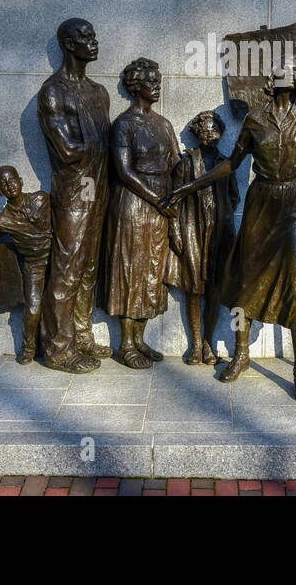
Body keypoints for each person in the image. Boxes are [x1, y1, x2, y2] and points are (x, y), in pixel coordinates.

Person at [166, 28, 296, 404]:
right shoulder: (254, 121)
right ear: (270, 84)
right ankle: (241, 355)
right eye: (277, 72)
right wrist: (190, 186)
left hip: (294, 204)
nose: (282, 75)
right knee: (246, 279)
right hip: (262, 201)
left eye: (289, 71)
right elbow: (231, 164)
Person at [36, 18, 114, 374]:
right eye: (85, 37)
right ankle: (57, 348)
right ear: (68, 44)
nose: (93, 42)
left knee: (89, 265)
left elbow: (103, 145)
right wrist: (101, 147)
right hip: (73, 187)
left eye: (94, 35)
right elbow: (66, 150)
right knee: (66, 266)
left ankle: (81, 334)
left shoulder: (99, 93)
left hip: (99, 184)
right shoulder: (53, 91)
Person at [100, 58, 180, 369]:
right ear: (136, 86)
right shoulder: (124, 124)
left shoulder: (164, 124)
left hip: (160, 204)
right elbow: (123, 170)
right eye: (151, 81)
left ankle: (140, 339)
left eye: (159, 80)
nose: (157, 86)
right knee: (131, 269)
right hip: (133, 204)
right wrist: (157, 199)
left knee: (151, 271)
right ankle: (125, 344)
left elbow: (176, 162)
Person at [169, 110, 239, 365]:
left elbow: (234, 197)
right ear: (197, 133)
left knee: (214, 290)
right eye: (206, 129)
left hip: (219, 233)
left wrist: (223, 219)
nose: (210, 133)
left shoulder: (225, 163)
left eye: (214, 129)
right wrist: (176, 231)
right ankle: (196, 345)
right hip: (192, 229)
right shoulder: (187, 163)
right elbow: (174, 201)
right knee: (194, 288)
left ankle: (208, 343)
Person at [0, 165, 50, 364]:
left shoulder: (40, 199)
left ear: (21, 180)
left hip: (57, 259)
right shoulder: (3, 220)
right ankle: (29, 349)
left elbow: (42, 231)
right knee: (33, 307)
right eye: (3, 184)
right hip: (34, 265)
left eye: (12, 180)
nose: (9, 186)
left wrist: (12, 226)